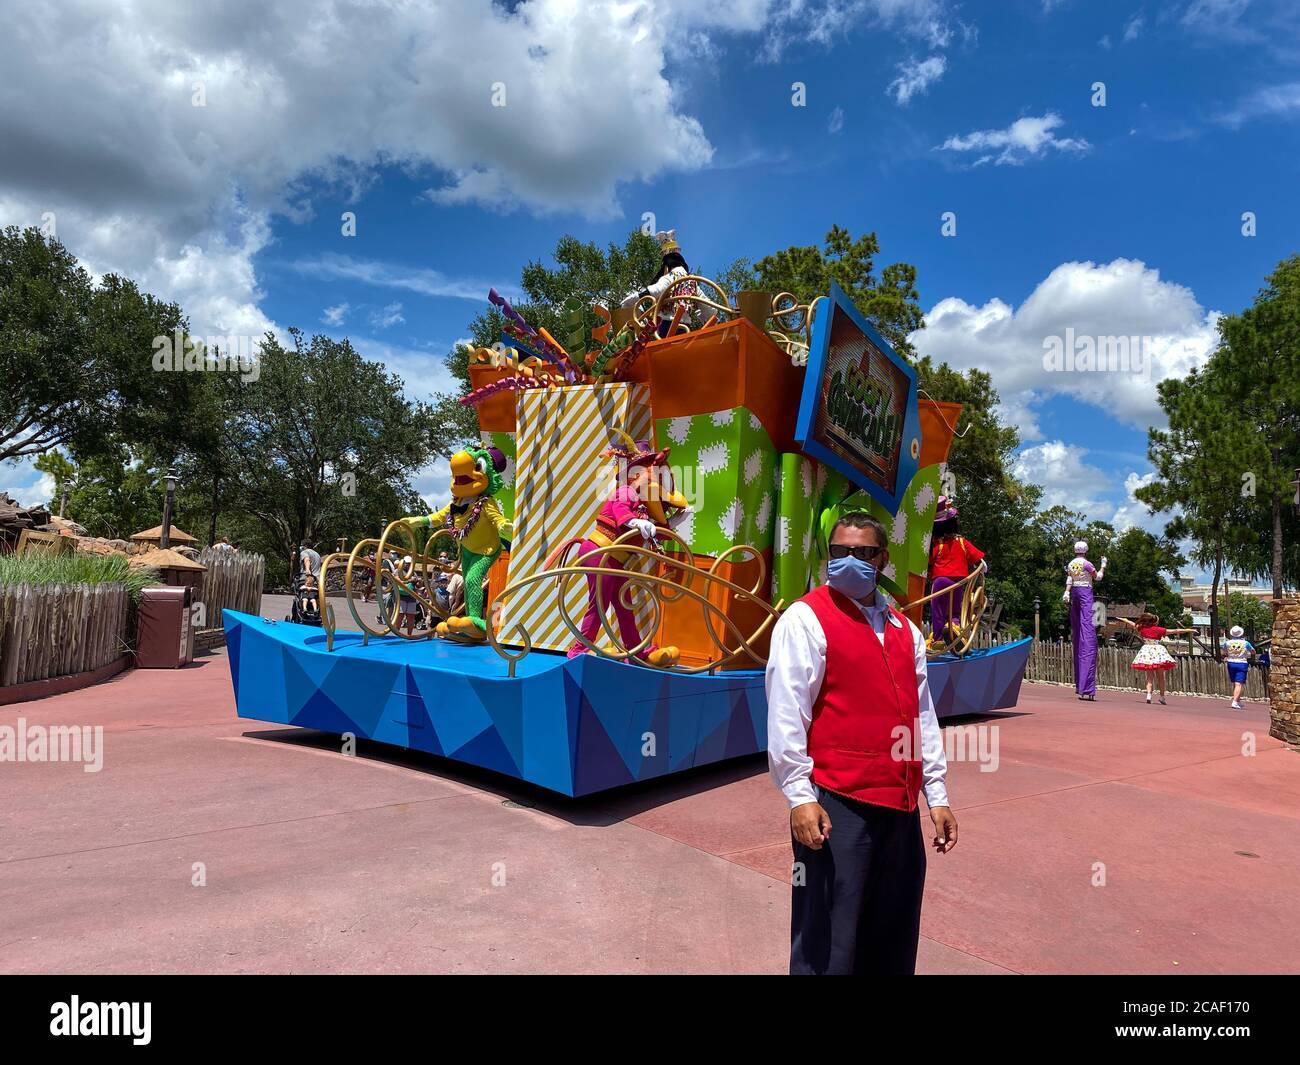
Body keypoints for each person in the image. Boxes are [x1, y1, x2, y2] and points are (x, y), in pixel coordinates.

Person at [766, 511, 956, 976]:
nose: (850, 561)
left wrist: (937, 794)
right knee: (828, 939)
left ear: (883, 559)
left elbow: (921, 715)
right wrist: (798, 795)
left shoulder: (905, 630)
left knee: (891, 934)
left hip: (900, 806)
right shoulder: (805, 618)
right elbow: (787, 709)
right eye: (839, 552)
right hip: (838, 803)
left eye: (863, 553)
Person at [926, 496, 986, 648]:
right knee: (955, 609)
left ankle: (938, 639)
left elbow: (928, 562)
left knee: (938, 611)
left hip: (940, 582)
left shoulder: (936, 544)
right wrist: (981, 566)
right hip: (958, 582)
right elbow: (980, 561)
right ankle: (954, 627)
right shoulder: (961, 542)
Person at [1115, 612, 1197, 705]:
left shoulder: (1142, 628)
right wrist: (1189, 630)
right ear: (1154, 622)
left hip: (1147, 651)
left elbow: (1133, 624)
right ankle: (1162, 697)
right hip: (1158, 652)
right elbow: (1175, 630)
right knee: (1161, 677)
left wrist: (1125, 620)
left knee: (1149, 677)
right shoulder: (1160, 630)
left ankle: (1149, 695)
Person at [1063, 541, 1107, 701]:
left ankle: (1081, 686)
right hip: (1085, 593)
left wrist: (1066, 593)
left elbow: (1069, 580)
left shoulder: (1071, 564)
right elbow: (1099, 578)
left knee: (1078, 629)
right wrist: (1103, 565)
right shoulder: (1087, 564)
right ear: (1086, 551)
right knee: (1087, 630)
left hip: (1074, 593)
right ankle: (1087, 686)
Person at [1223, 625, 1254, 711]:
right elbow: (1253, 651)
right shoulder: (1246, 643)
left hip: (1231, 662)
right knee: (1239, 683)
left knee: (1235, 682)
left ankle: (1238, 700)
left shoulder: (1227, 643)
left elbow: (1224, 651)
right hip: (1241, 662)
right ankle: (1235, 701)